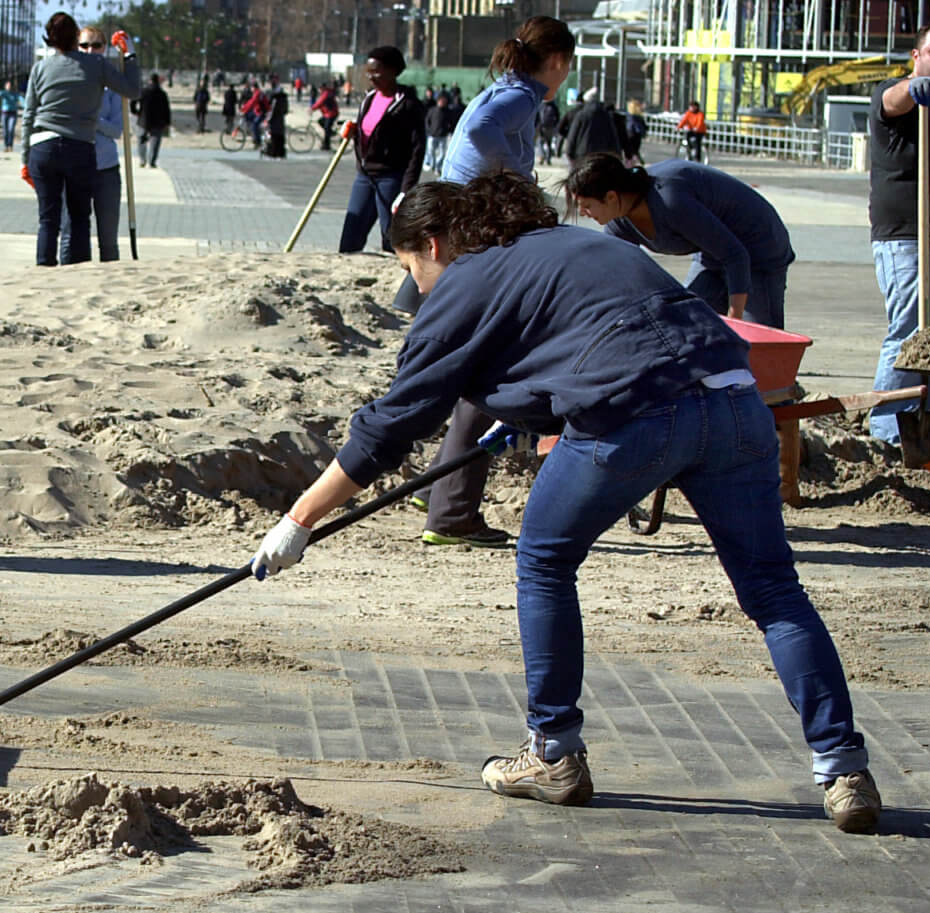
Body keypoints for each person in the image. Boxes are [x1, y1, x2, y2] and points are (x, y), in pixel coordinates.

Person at [249, 171, 882, 835]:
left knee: (545, 560)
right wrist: (529, 409)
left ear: (432, 244)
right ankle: (845, 770)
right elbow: (592, 332)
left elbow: (390, 425)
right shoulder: (573, 245)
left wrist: (299, 520)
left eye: (412, 269)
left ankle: (553, 753)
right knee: (774, 591)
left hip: (635, 416)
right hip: (735, 397)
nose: (421, 286)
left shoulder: (466, 278)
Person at [405, 15, 574, 548]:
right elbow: (479, 133)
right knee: (494, 363)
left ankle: (437, 489)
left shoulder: (507, 87)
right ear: (558, 62)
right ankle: (450, 509)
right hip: (474, 226)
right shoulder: (522, 95)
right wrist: (513, 179)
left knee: (482, 362)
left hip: (462, 222)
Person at [566, 154, 795, 328]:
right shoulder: (619, 221)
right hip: (712, 253)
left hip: (757, 246)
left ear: (611, 197)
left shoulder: (669, 201)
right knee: (685, 323)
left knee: (756, 343)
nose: (584, 213)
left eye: (587, 206)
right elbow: (613, 275)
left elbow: (735, 255)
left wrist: (736, 323)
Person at [867, 22, 930, 443]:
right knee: (913, 331)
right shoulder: (896, 94)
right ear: (916, 56)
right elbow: (891, 100)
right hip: (909, 238)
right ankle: (887, 430)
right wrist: (914, 88)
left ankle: (927, 426)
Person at [20, 12, 141, 266]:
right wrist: (130, 56)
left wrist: (25, 160)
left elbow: (29, 115)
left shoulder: (40, 68)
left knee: (48, 220)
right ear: (76, 36)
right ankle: (77, 274)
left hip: (43, 147)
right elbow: (132, 90)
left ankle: (43, 271)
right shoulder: (95, 65)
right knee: (78, 218)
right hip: (78, 147)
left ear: (50, 39)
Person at [338, 46, 424, 254]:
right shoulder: (369, 98)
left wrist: (405, 190)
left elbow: (417, 149)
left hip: (391, 178)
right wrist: (353, 131)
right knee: (350, 236)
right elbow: (369, 129)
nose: (371, 77)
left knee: (391, 237)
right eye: (368, 72)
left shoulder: (408, 104)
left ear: (392, 71)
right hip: (364, 175)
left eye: (376, 72)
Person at [58, 26, 124, 263]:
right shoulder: (70, 80)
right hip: (75, 168)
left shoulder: (112, 86)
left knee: (108, 241)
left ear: (104, 49)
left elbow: (117, 130)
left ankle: (109, 281)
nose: (90, 50)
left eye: (96, 45)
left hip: (106, 169)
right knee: (71, 234)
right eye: (84, 45)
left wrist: (93, 119)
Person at [562, 86, 624, 163]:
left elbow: (573, 135)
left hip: (582, 153)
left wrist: (569, 152)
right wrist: (617, 154)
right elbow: (613, 137)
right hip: (602, 154)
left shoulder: (581, 115)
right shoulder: (606, 116)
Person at [139, 72, 171, 167]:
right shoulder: (162, 94)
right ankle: (152, 161)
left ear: (150, 80)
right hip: (158, 121)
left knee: (142, 140)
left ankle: (142, 160)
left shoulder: (143, 91)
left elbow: (133, 102)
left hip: (144, 120)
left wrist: (136, 112)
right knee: (155, 141)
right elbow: (166, 109)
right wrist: (167, 121)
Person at [424, 90, 454, 171]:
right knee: (430, 151)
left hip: (443, 136)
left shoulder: (448, 111)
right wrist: (429, 130)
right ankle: (432, 165)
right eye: (441, 100)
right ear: (438, 100)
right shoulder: (432, 110)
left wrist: (448, 131)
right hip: (432, 135)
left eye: (444, 100)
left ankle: (438, 167)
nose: (443, 102)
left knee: (442, 153)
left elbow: (451, 122)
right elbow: (427, 120)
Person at [310, 80, 339, 151]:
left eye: (320, 88)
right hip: (327, 114)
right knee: (320, 121)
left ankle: (326, 145)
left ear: (323, 88)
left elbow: (320, 102)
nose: (319, 90)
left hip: (331, 113)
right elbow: (320, 102)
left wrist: (312, 108)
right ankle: (330, 133)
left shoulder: (326, 93)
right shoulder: (325, 93)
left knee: (326, 128)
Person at [240, 81, 268, 148]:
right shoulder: (255, 93)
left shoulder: (257, 93)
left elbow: (252, 103)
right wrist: (244, 108)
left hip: (262, 112)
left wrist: (244, 109)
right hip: (257, 111)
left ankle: (258, 142)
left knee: (255, 124)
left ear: (254, 87)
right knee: (249, 116)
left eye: (251, 87)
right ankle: (253, 133)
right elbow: (250, 101)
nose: (250, 89)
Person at [262, 85, 288, 159]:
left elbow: (272, 112)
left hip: (274, 121)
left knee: (273, 137)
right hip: (281, 120)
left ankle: (273, 153)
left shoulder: (275, 100)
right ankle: (281, 154)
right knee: (280, 137)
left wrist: (267, 120)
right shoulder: (284, 99)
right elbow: (285, 111)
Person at [535, 96, 560, 165]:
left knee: (539, 142)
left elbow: (537, 117)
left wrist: (536, 126)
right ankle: (548, 159)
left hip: (542, 127)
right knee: (549, 143)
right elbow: (558, 117)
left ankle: (542, 155)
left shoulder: (541, 106)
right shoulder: (554, 106)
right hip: (551, 127)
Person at [0, 79, 22, 151]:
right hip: (5, 113)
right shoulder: (4, 93)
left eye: (10, 86)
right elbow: (0, 94)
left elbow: (21, 99)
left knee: (11, 129)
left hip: (12, 113)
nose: (9, 87)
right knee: (5, 131)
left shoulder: (15, 94)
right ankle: (6, 146)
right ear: (5, 86)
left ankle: (10, 145)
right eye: (7, 86)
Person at [622, 97, 648, 164]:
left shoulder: (629, 115)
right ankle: (637, 162)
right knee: (634, 150)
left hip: (630, 133)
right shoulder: (638, 116)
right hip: (636, 134)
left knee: (631, 150)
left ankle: (631, 162)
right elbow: (643, 126)